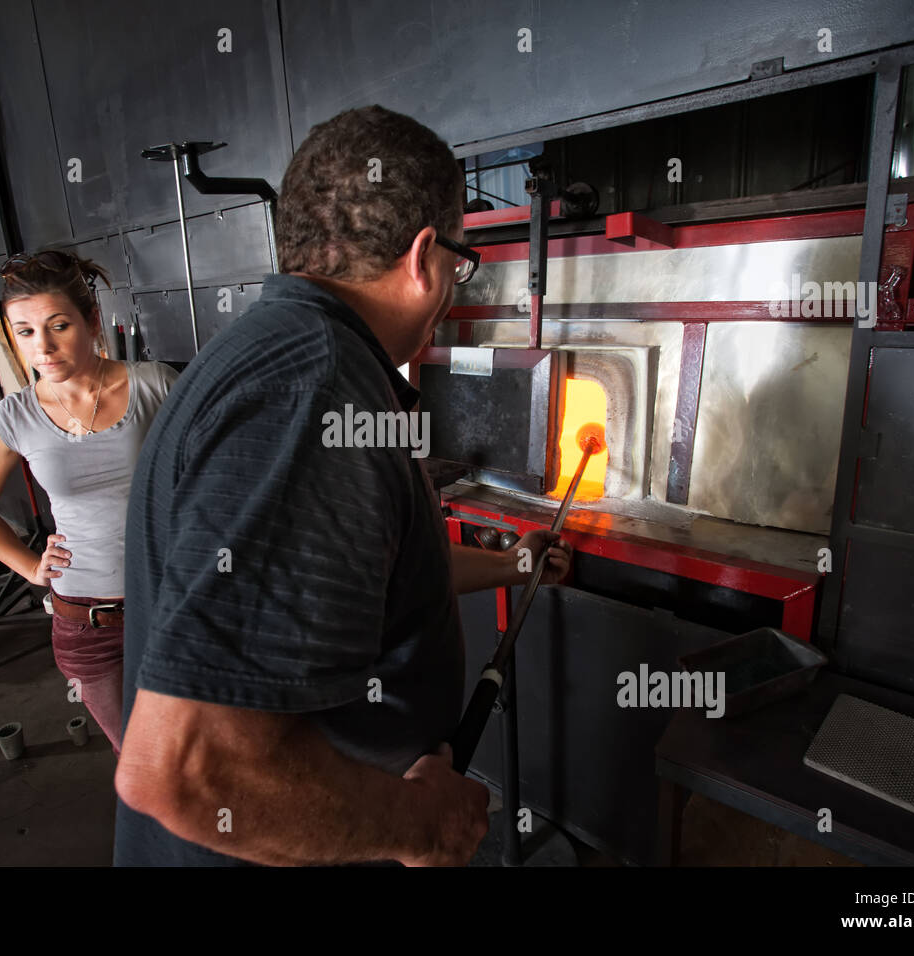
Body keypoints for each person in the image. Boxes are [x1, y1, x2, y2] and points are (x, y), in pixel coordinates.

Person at [113, 104, 572, 866]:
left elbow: (367, 581)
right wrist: (426, 825)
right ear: (424, 257)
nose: (452, 289)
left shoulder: (285, 358)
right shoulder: (315, 396)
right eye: (461, 265)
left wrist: (513, 564)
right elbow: (192, 772)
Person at [0, 250, 179, 754]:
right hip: (85, 625)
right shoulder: (13, 417)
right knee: (141, 766)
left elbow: (215, 476)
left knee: (202, 754)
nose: (44, 347)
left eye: (58, 326)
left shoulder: (153, 384)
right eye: (25, 332)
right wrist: (31, 568)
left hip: (170, 610)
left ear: (92, 320)